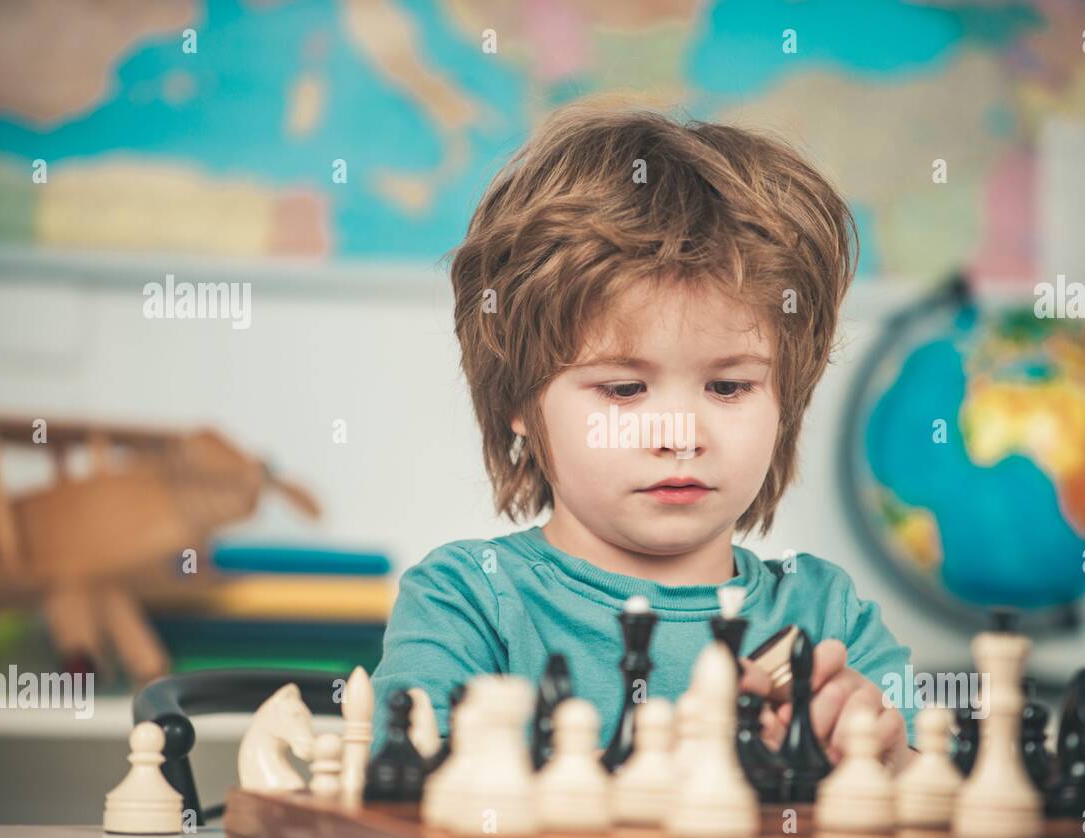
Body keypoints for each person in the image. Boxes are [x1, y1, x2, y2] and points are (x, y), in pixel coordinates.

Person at [370, 102, 917, 770]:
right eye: (624, 390)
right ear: (519, 398)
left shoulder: (829, 616)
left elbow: (933, 798)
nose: (681, 435)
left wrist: (885, 761)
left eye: (729, 387)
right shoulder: (467, 600)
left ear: (786, 401)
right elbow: (410, 800)